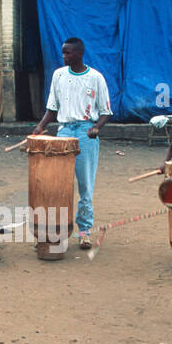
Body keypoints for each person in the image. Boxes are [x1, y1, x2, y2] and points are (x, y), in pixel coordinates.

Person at [31, 37, 113, 249]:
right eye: (63, 53)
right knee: (59, 184)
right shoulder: (59, 75)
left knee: (85, 185)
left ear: (79, 53)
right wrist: (40, 127)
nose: (64, 56)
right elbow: (52, 108)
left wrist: (96, 128)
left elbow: (105, 112)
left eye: (68, 53)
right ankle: (56, 230)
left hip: (86, 132)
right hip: (64, 130)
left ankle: (84, 231)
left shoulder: (96, 78)